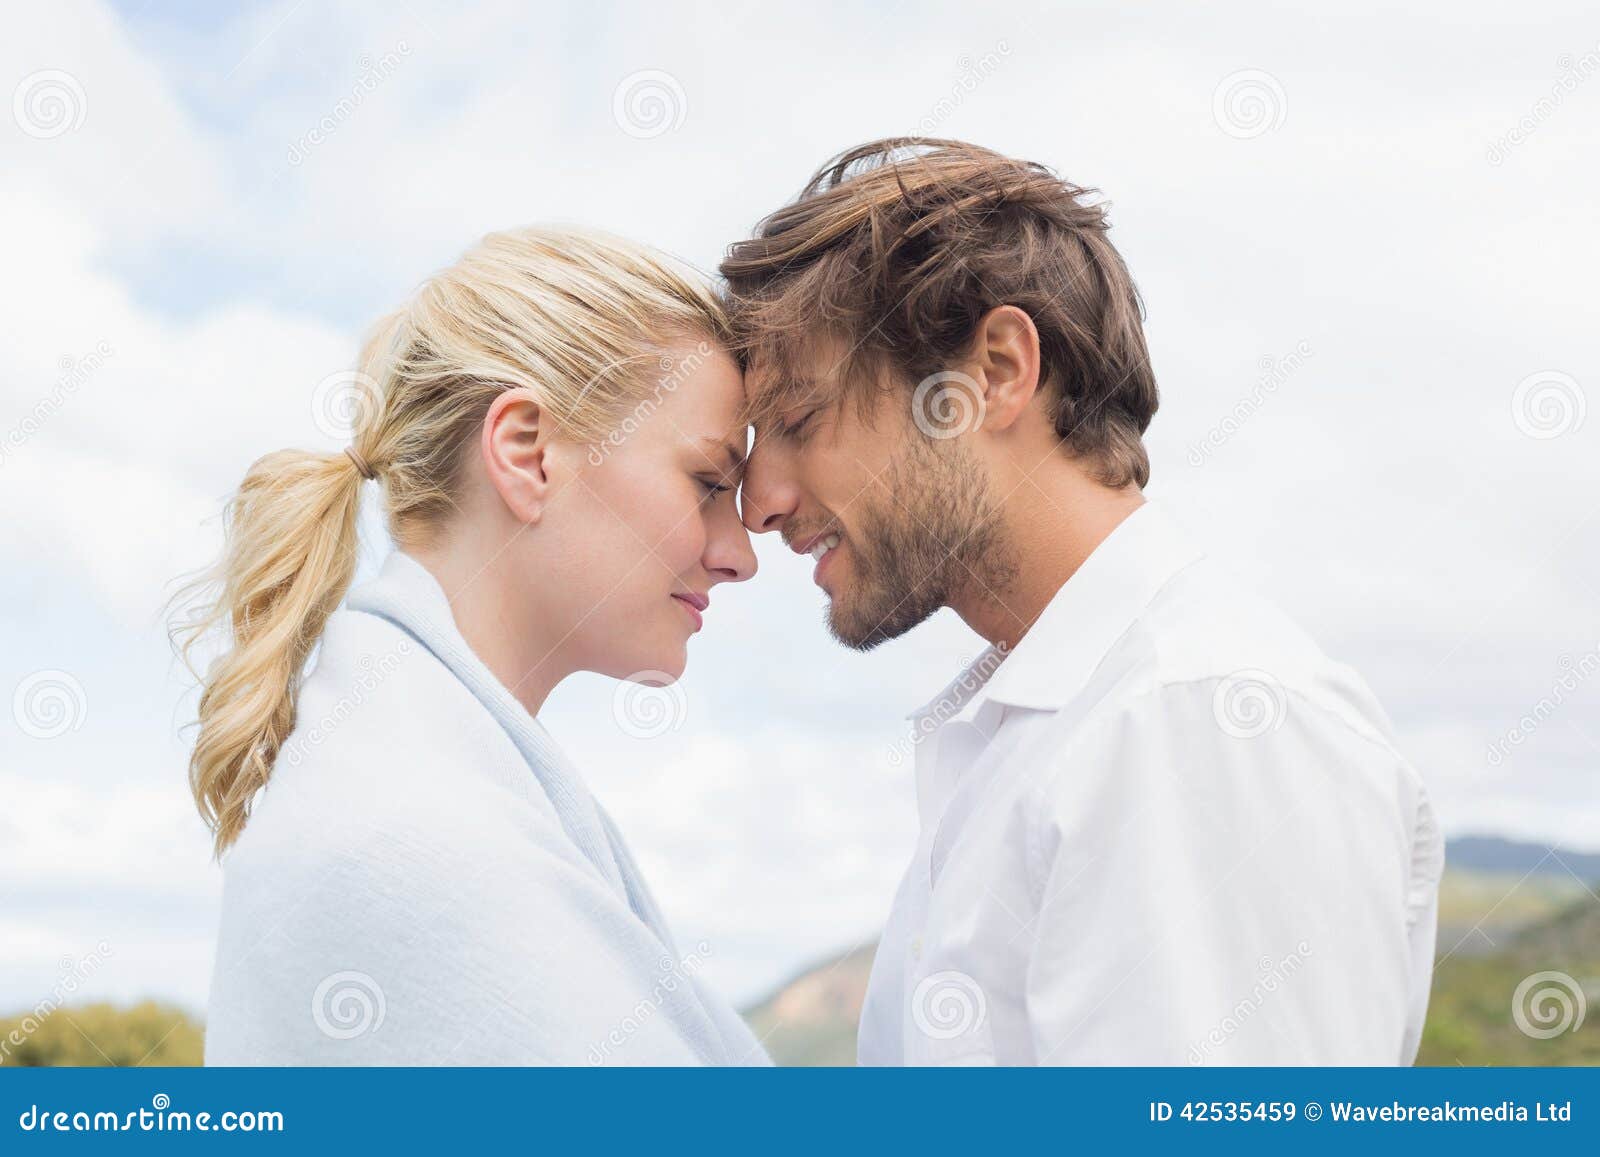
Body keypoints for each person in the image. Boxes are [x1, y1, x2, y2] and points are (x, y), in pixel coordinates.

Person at [721, 138, 1443, 1065]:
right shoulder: (1055, 730)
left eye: (797, 421)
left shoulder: (1191, 719)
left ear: (994, 371)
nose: (761, 501)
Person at [173, 226, 767, 1065]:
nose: (738, 552)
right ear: (526, 453)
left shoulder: (423, 777)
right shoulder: (413, 831)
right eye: (708, 483)